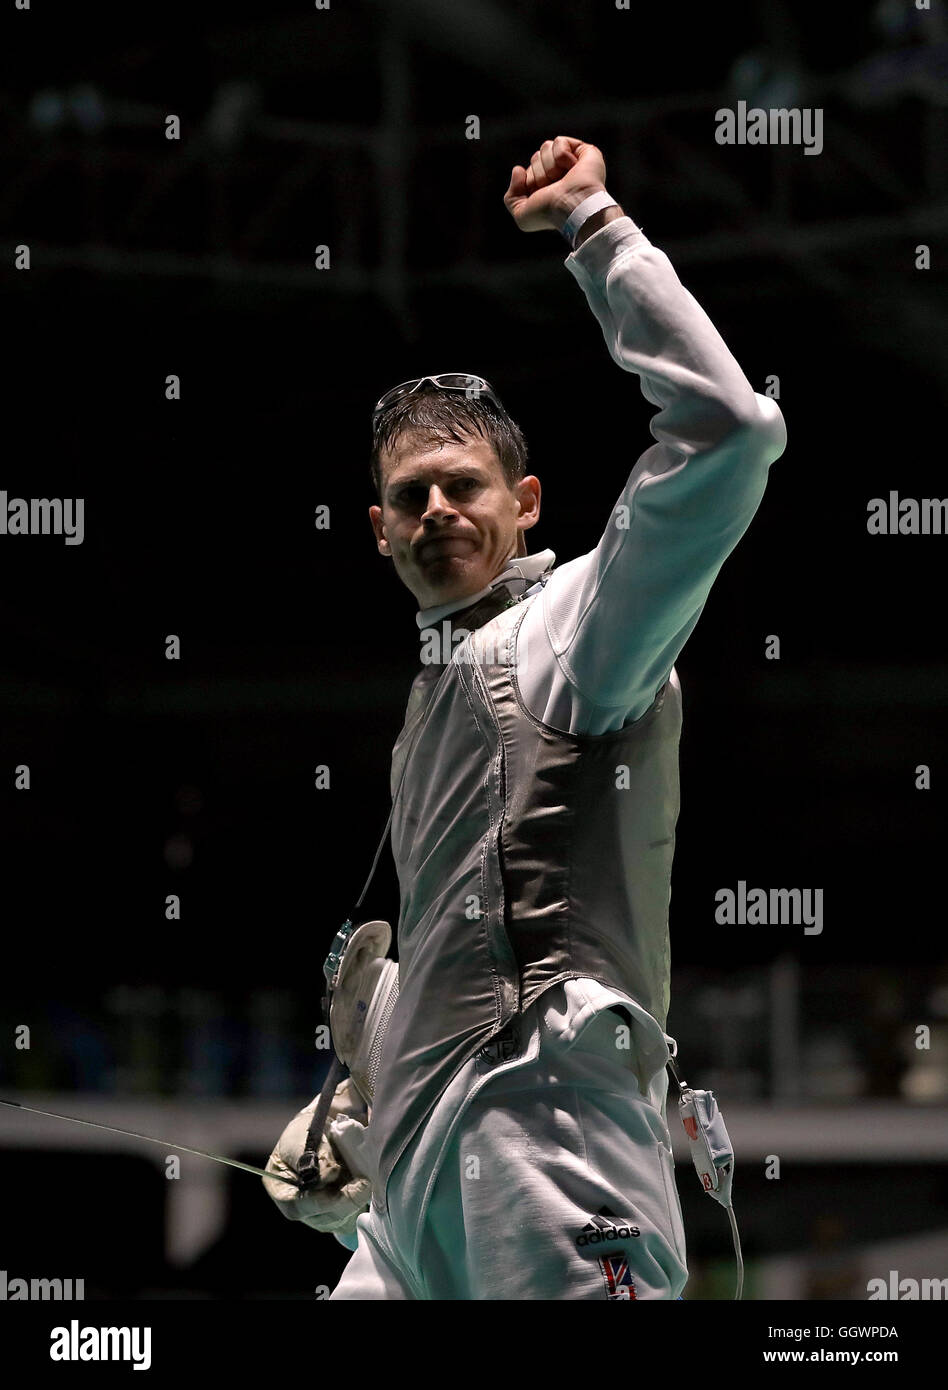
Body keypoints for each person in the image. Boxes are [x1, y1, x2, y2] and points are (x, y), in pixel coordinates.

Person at [263, 135, 787, 1299]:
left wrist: (596, 227)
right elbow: (462, 944)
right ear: (379, 530)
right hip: (417, 1180)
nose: (438, 510)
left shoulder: (573, 630)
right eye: (412, 496)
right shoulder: (429, 706)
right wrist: (360, 1118)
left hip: (550, 1132)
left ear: (527, 502)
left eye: (465, 485)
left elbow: (730, 432)